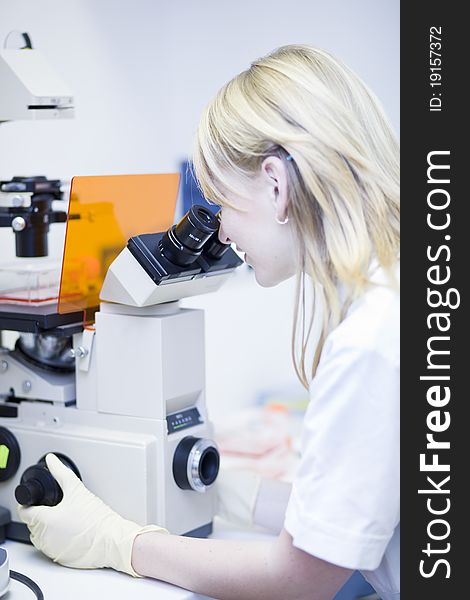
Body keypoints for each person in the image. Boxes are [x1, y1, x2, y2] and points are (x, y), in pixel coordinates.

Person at [18, 44, 400, 600]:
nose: (220, 233)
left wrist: (117, 540)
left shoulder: (370, 340)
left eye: (222, 203)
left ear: (276, 184)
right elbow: (371, 510)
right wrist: (234, 495)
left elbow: (297, 580)